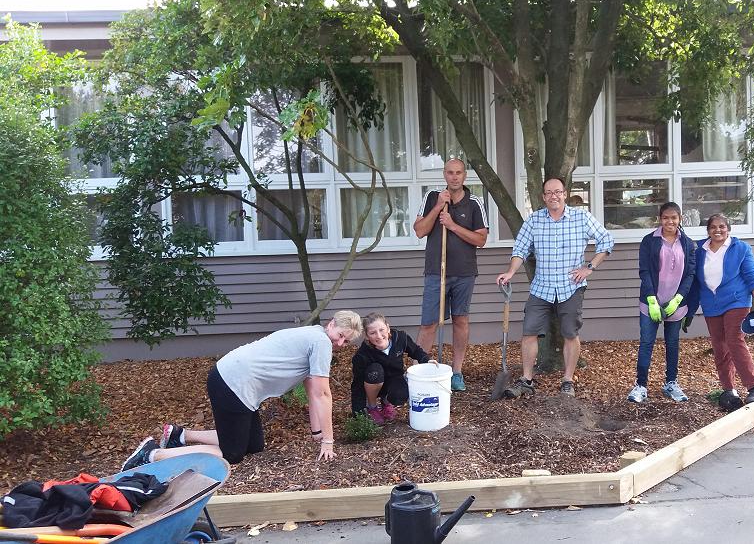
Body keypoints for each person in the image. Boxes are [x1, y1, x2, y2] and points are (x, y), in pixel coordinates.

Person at [120, 311, 363, 471]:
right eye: (340, 336)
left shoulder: (314, 336)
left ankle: (180, 435)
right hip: (231, 383)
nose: (340, 344)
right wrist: (328, 443)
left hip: (236, 383)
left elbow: (312, 389)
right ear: (331, 324)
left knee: (254, 445)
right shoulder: (320, 342)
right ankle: (152, 455)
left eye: (346, 342)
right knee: (232, 453)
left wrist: (317, 431)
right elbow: (323, 395)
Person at [496, 177, 614, 398]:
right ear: (543, 197)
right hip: (541, 287)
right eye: (549, 192)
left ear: (565, 194)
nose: (554, 196)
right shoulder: (534, 220)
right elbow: (520, 249)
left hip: (572, 286)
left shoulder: (581, 217)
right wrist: (511, 272)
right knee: (529, 331)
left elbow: (606, 240)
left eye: (557, 192)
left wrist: (589, 267)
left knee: (570, 333)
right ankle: (527, 380)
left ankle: (568, 380)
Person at [413, 158, 489, 392]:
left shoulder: (474, 202)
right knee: (429, 323)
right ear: (444, 175)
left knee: (460, 320)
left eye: (458, 173)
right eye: (450, 172)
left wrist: (453, 225)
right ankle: (420, 372)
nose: (454, 177)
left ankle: (456, 372)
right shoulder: (431, 198)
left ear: (464, 176)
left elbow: (481, 240)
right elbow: (419, 231)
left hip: (464, 273)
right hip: (436, 272)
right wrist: (437, 208)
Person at [686, 214, 754, 411]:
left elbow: (751, 275)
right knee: (719, 345)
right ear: (708, 230)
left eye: (722, 227)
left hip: (737, 300)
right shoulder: (699, 250)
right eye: (713, 227)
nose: (718, 230)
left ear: (729, 229)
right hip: (711, 303)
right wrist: (689, 310)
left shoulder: (741, 248)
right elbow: (695, 282)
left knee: (734, 340)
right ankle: (728, 390)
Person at [629, 202, 698, 404]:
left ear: (680, 219)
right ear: (660, 219)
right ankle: (641, 385)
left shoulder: (687, 243)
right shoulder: (649, 241)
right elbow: (644, 271)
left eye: (674, 218)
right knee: (646, 343)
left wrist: (678, 299)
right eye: (666, 217)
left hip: (675, 304)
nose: (670, 221)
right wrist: (651, 298)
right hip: (651, 302)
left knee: (672, 344)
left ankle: (671, 383)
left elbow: (690, 273)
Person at [350, 313, 434, 425]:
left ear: (388, 328)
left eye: (381, 330)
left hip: (394, 377)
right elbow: (357, 385)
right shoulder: (362, 355)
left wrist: (426, 360)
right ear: (366, 336)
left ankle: (386, 402)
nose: (379, 336)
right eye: (373, 333)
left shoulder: (400, 338)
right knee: (375, 371)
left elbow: (415, 351)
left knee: (400, 396)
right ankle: (372, 407)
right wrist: (358, 413)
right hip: (373, 383)